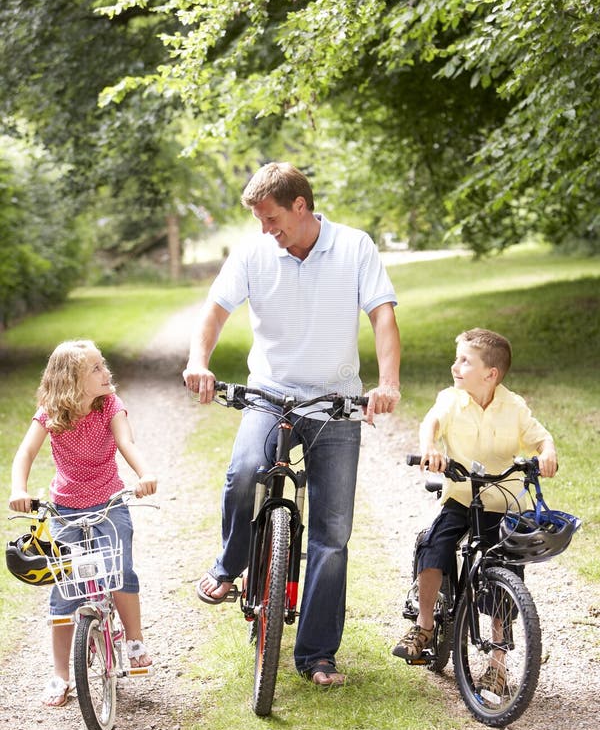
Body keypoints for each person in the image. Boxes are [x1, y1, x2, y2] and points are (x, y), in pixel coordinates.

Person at [184, 161, 401, 686]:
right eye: (259, 220)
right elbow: (214, 313)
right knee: (242, 473)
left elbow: (383, 316)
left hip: (335, 402)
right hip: (270, 394)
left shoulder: (354, 247)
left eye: (272, 218)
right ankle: (229, 566)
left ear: (300, 206)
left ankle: (317, 654)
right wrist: (198, 360)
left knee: (333, 531)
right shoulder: (255, 254)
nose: (265, 229)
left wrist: (388, 383)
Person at [392, 327, 557, 695]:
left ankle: (498, 664)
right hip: (462, 498)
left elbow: (541, 437)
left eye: (465, 360)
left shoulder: (514, 407)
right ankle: (424, 626)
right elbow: (430, 423)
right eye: (457, 358)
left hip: (503, 503)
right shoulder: (452, 400)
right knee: (435, 546)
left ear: (490, 374)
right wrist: (430, 448)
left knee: (505, 571)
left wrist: (547, 453)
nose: (455, 366)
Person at [9, 339, 157, 707]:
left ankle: (134, 641)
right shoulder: (50, 411)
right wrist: (18, 488)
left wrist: (144, 473)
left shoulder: (110, 405)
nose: (106, 373)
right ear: (71, 379)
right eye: (96, 369)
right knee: (63, 589)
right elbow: (25, 452)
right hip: (64, 510)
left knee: (120, 569)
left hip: (109, 503)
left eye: (103, 365)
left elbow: (127, 443)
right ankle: (60, 674)